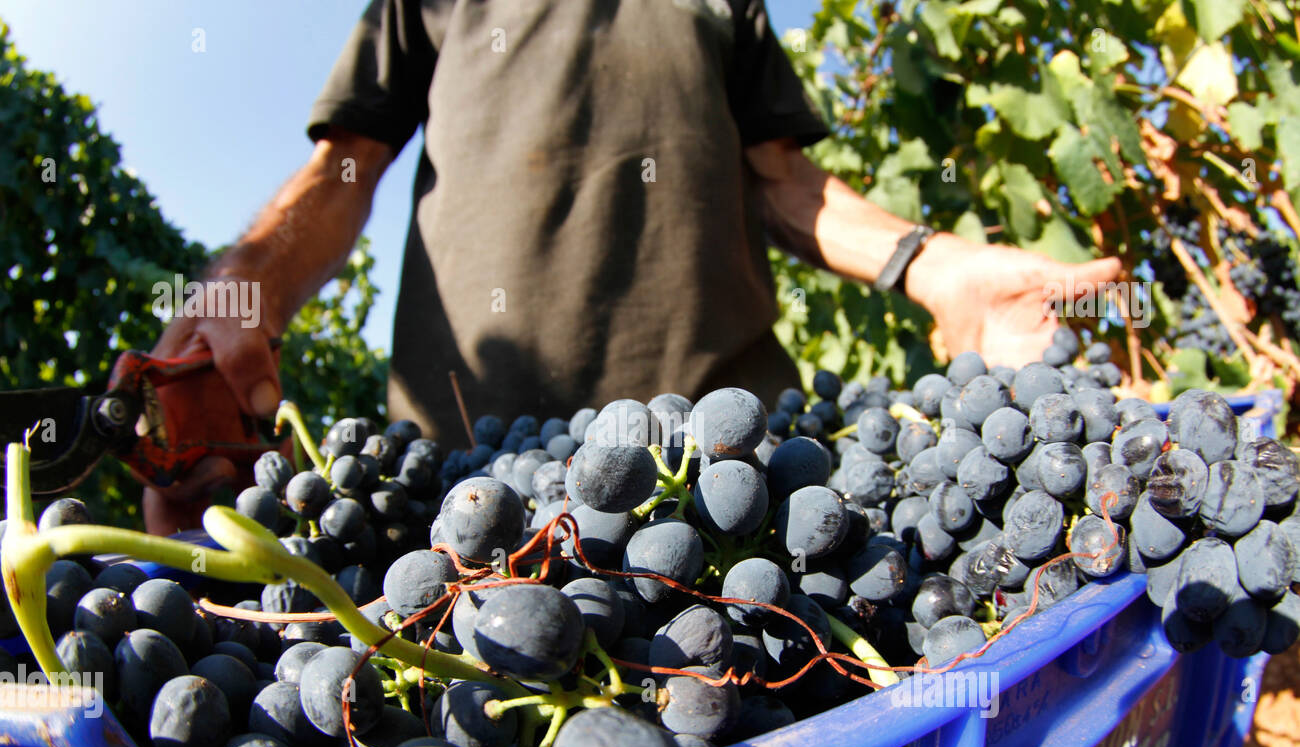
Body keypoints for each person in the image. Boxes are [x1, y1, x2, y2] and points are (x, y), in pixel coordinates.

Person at [144, 0, 1119, 534]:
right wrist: (247, 289)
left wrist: (932, 263)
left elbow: (788, 184)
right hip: (470, 494)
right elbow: (345, 167)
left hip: (735, 477)